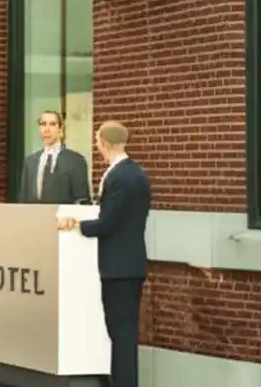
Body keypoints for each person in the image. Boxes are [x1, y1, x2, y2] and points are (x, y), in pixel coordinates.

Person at [57, 121, 151, 387]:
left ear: (105, 143)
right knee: (124, 331)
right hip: (130, 264)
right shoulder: (136, 174)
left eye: (97, 139)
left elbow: (109, 223)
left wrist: (77, 225)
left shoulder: (119, 176)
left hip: (118, 267)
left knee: (121, 333)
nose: (96, 144)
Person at [18, 110, 91, 205]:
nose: (47, 129)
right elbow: (23, 199)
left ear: (60, 128)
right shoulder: (30, 162)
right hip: (34, 213)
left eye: (52, 124)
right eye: (43, 124)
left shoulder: (75, 161)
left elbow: (82, 200)